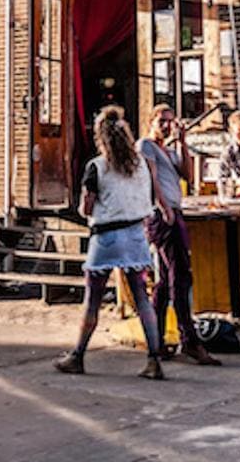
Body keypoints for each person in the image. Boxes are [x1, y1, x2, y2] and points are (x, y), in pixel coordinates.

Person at [55, 107, 169, 381]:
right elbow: (150, 196)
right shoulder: (143, 164)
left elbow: (86, 207)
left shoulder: (97, 166)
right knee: (142, 299)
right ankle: (154, 359)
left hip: (105, 238)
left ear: (101, 138)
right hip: (135, 235)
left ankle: (77, 355)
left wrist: (85, 205)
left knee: (93, 299)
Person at [138, 105, 221, 366]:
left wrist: (183, 142)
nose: (166, 126)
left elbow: (188, 175)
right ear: (151, 122)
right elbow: (151, 179)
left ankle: (157, 340)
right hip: (163, 215)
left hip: (174, 210)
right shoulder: (146, 146)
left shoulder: (170, 151)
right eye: (162, 121)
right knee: (180, 275)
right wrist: (164, 208)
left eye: (170, 122)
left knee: (165, 282)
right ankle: (189, 340)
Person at [219, 110, 240, 192]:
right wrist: (237, 183)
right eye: (239, 134)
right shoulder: (228, 152)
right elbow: (222, 181)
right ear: (231, 132)